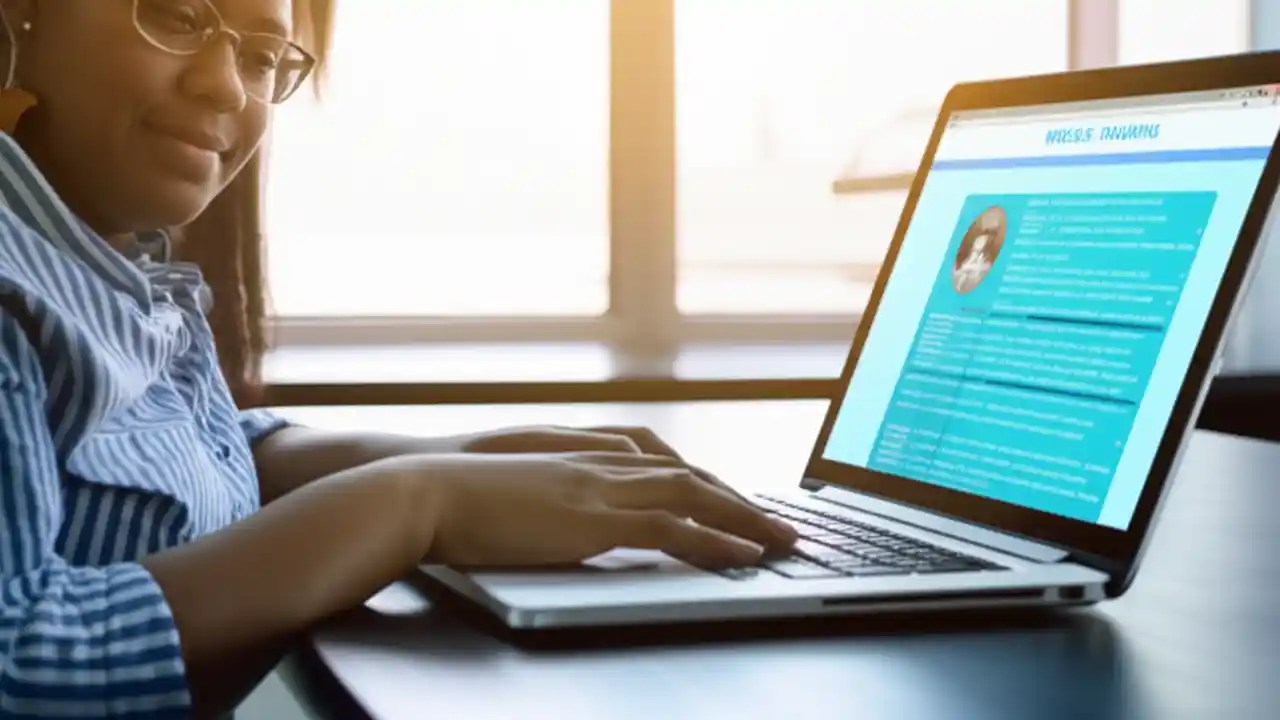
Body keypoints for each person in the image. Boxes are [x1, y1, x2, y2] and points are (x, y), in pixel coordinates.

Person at [0, 1, 797, 717]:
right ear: (25, 16)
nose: (225, 87)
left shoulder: (102, 261)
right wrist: (416, 504)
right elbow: (21, 664)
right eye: (175, 18)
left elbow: (181, 451)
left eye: (260, 58)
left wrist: (460, 460)